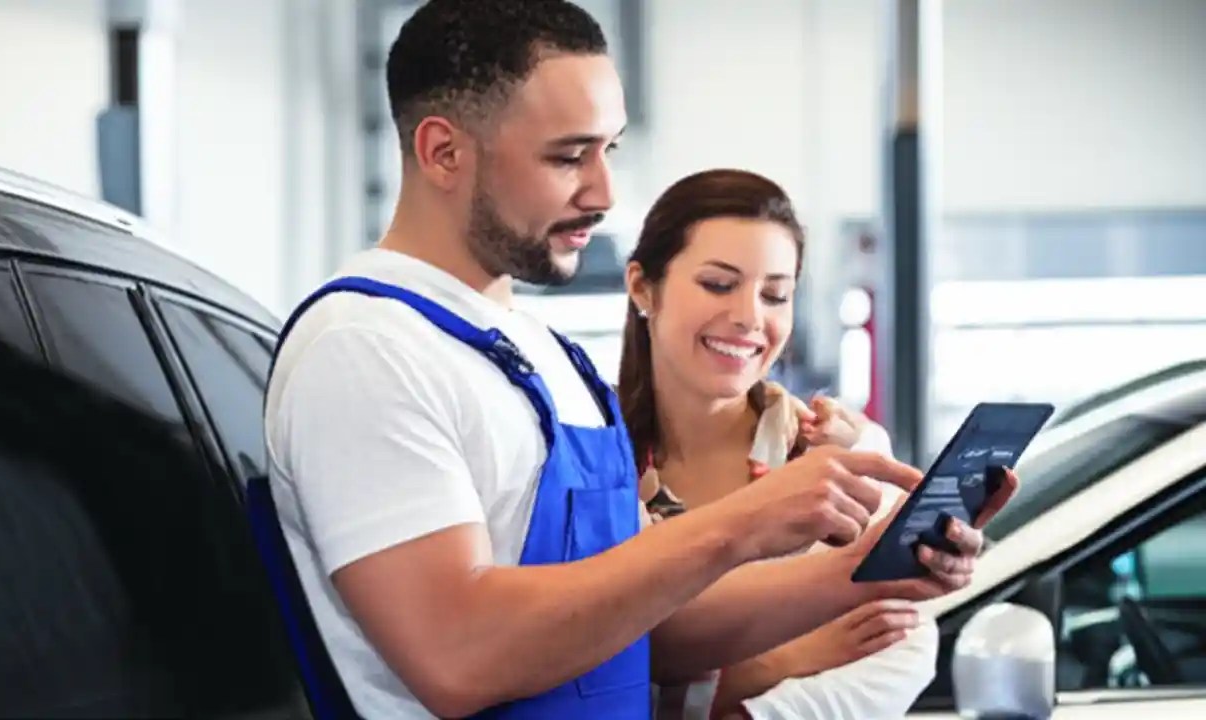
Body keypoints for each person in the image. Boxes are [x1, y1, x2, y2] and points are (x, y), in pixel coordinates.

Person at [262, 2, 1015, 718]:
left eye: (608, 150)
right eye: (568, 157)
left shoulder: (545, 359)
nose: (604, 192)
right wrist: (746, 523)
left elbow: (639, 631)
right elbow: (459, 654)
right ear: (443, 151)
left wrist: (870, 572)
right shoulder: (366, 351)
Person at [619, 169, 961, 719]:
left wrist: (754, 711)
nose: (750, 317)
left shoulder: (840, 456)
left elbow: (902, 645)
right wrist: (778, 661)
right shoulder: (589, 455)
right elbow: (573, 655)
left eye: (775, 295)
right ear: (642, 286)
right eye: (718, 284)